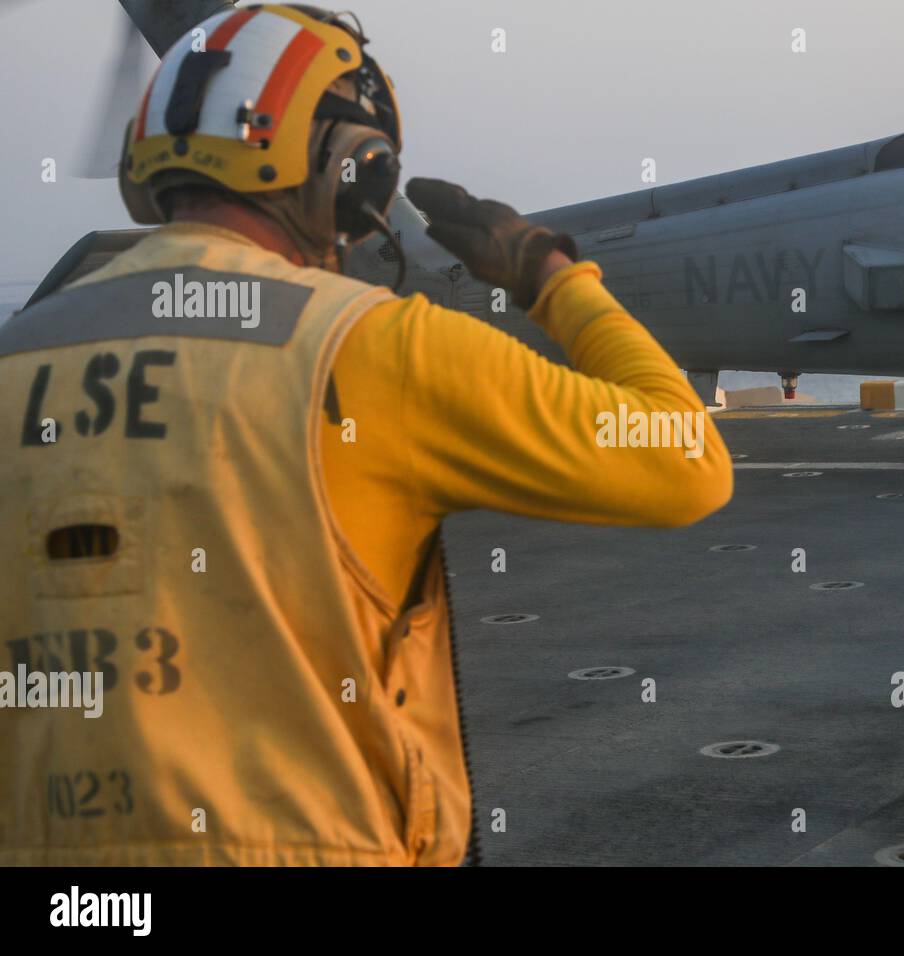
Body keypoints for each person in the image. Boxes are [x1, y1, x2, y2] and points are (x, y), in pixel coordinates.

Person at [0, 4, 732, 866]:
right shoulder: (372, 345)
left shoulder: (19, 357)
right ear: (357, 173)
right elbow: (686, 461)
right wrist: (551, 273)